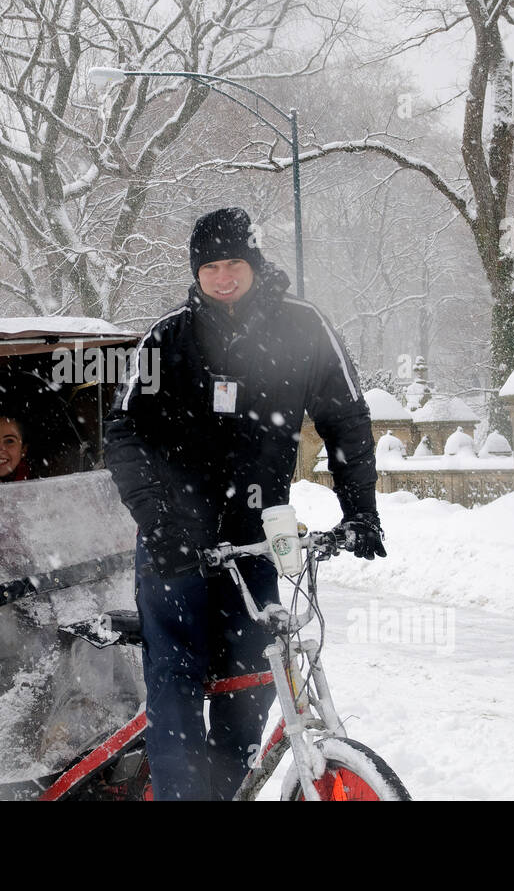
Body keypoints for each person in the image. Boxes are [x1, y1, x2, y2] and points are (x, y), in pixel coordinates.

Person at [104, 206, 385, 801]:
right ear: (196, 271)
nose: (222, 276)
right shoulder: (168, 338)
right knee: (176, 685)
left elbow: (346, 420)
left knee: (251, 684)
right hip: (173, 544)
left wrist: (360, 511)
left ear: (255, 262)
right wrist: (157, 519)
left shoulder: (304, 328)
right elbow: (123, 432)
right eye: (210, 266)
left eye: (233, 262)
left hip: (256, 541)